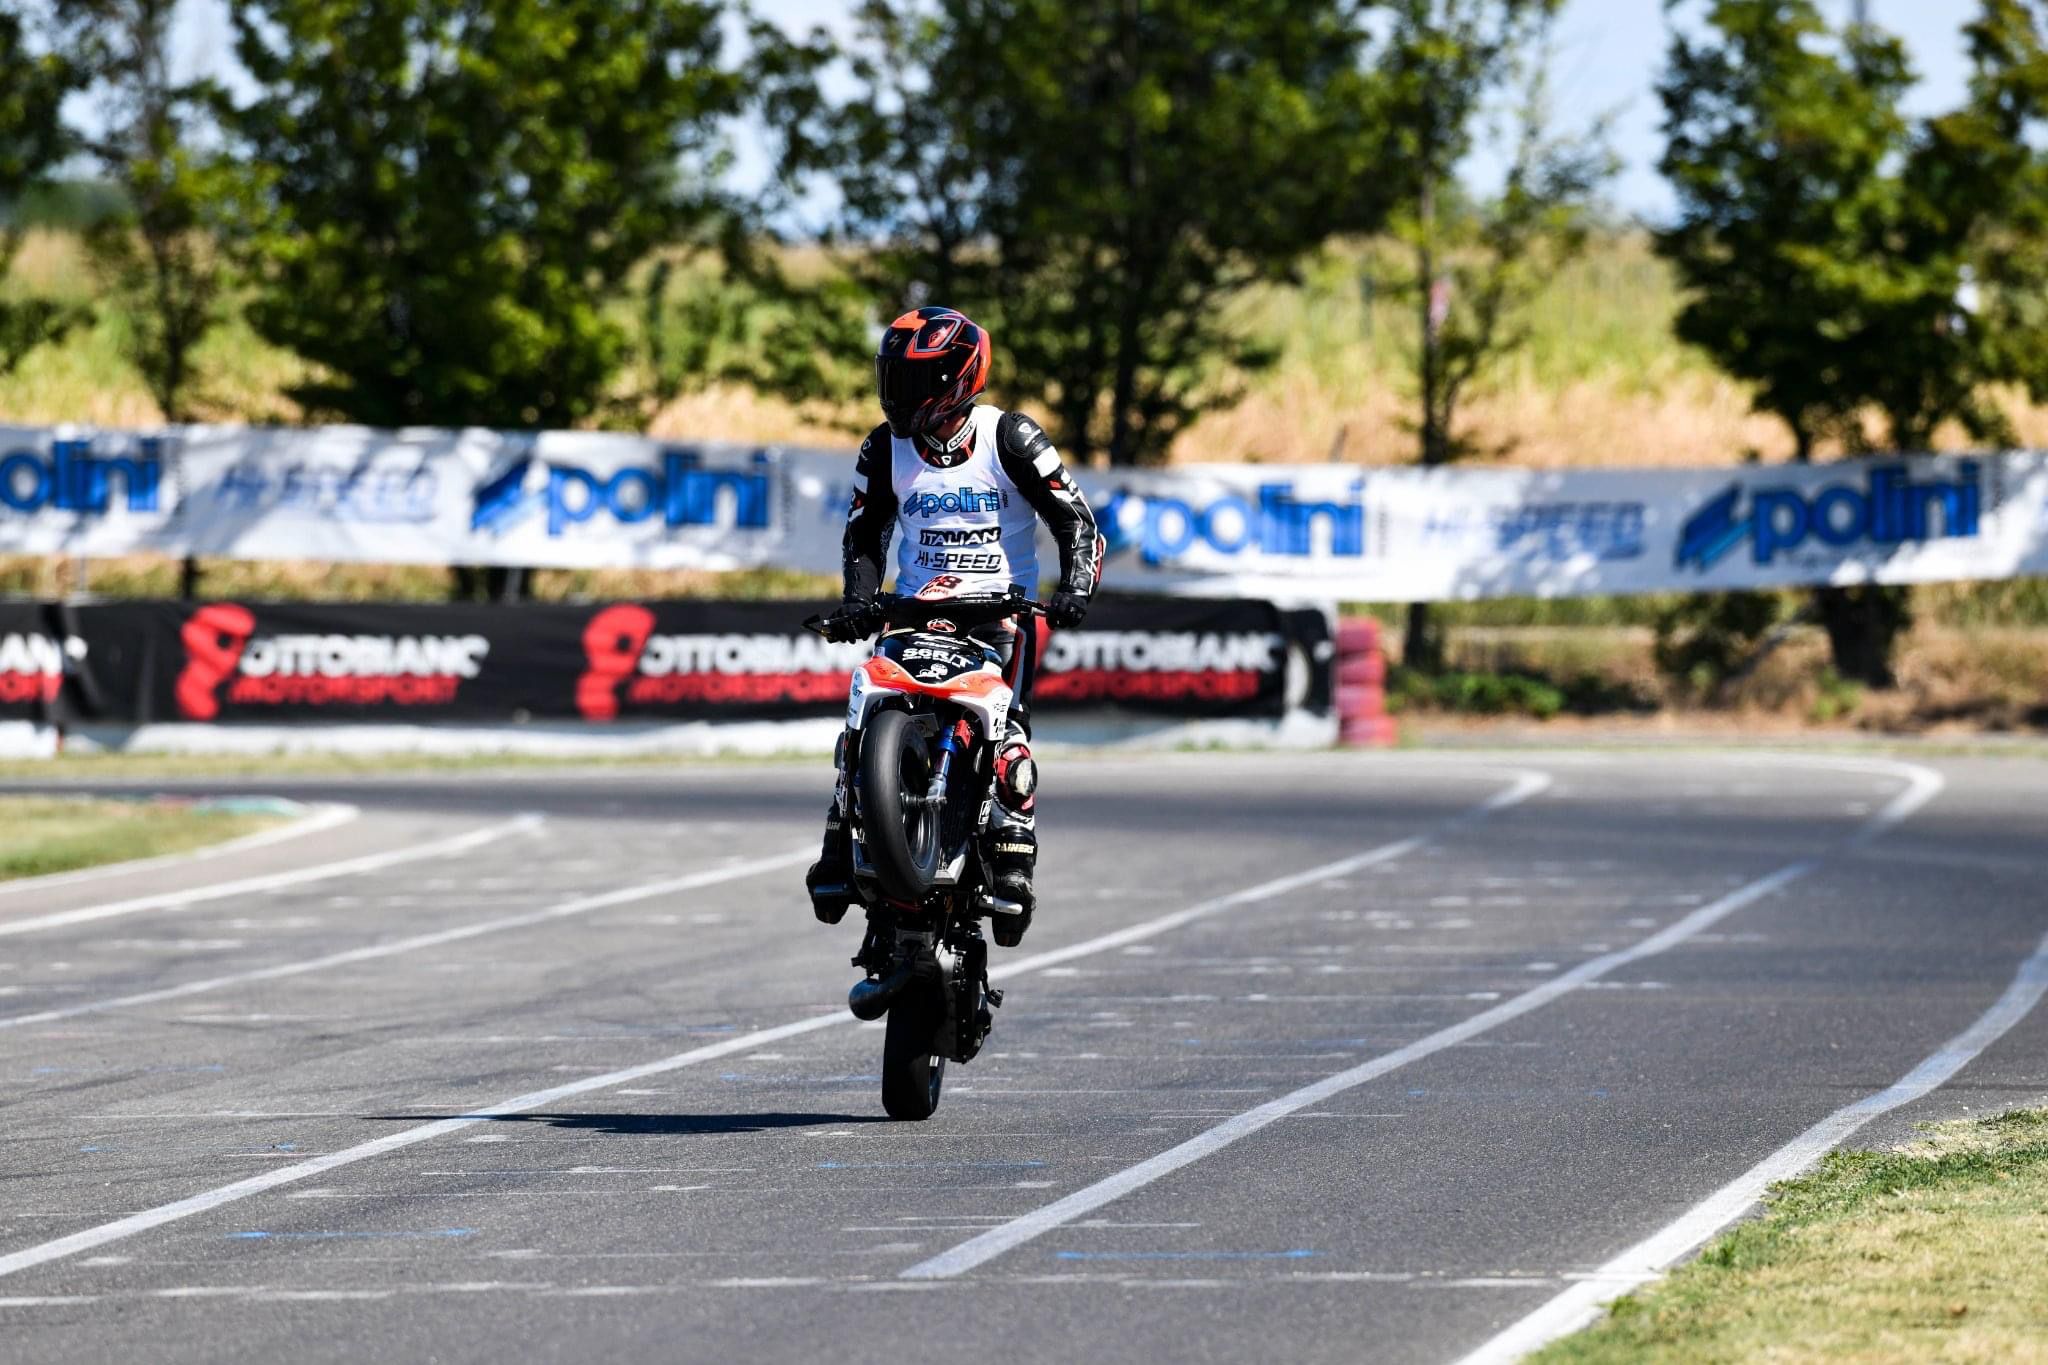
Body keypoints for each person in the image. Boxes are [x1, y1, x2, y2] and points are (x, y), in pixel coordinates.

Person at [805, 305, 1102, 947]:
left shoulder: (1012, 439)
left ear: (959, 378)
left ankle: (1014, 848)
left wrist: (1075, 589)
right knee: (863, 706)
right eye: (892, 380)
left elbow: (1076, 520)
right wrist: (860, 599)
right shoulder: (883, 447)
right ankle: (840, 835)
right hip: (913, 613)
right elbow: (864, 533)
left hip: (999, 618)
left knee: (1008, 732)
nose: (897, 398)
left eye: (913, 383)